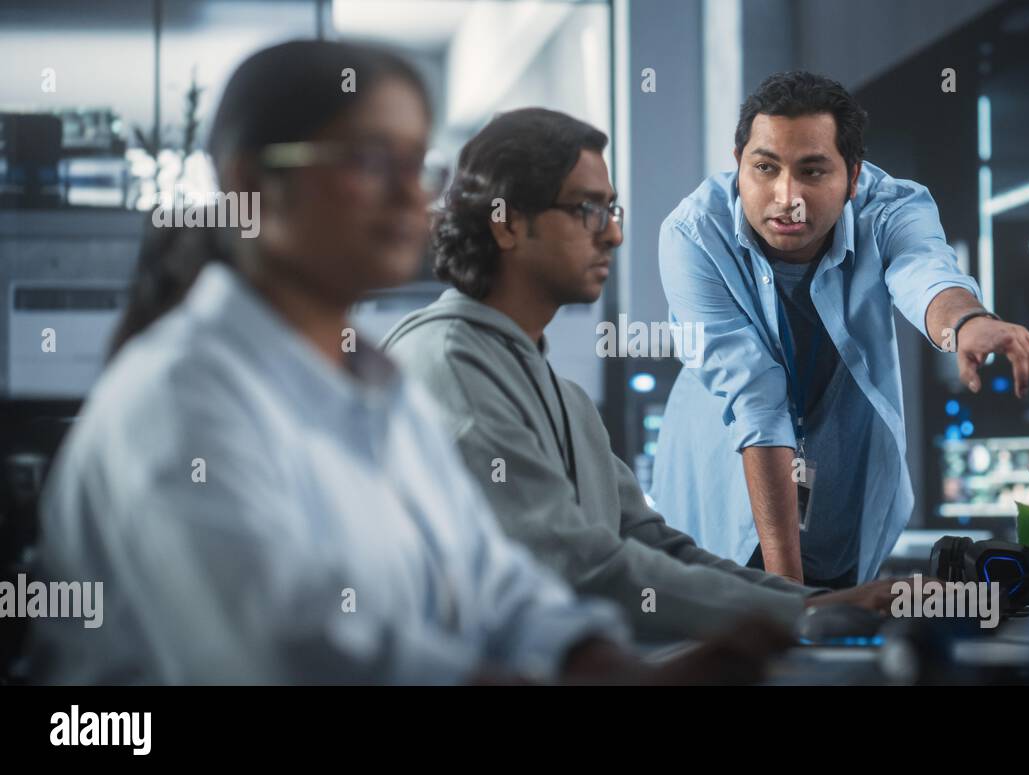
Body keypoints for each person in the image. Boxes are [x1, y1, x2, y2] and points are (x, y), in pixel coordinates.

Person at [27, 41, 788, 684]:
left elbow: (496, 585)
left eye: (416, 162)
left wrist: (615, 663)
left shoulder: (373, 392)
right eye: (368, 159)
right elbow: (298, 656)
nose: (412, 194)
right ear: (251, 184)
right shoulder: (180, 400)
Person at [382, 107, 910, 643]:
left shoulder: (564, 399)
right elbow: (578, 569)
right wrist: (802, 617)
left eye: (611, 209)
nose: (612, 234)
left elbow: (652, 545)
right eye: (586, 210)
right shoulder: (449, 362)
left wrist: (821, 602)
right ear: (507, 221)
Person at [650, 71, 1029, 587]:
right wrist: (790, 600)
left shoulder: (890, 206)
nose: (785, 196)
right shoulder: (695, 234)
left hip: (838, 495)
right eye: (764, 168)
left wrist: (965, 322)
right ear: (739, 163)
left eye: (812, 172)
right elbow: (754, 398)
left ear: (853, 177)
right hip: (727, 486)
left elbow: (923, 270)